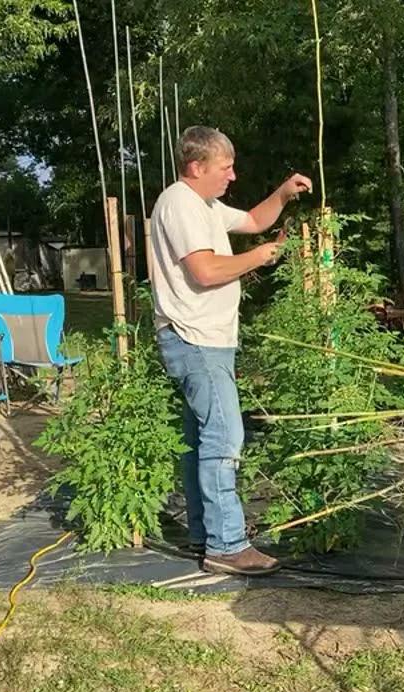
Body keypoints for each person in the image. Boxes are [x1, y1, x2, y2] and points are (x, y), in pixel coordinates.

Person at [150, 125, 311, 575]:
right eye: (225, 167)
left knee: (202, 439)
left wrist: (282, 193)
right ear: (197, 166)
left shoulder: (203, 205)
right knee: (224, 439)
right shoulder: (180, 203)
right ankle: (227, 546)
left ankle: (205, 534)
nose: (233, 175)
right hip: (196, 339)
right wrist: (257, 258)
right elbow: (204, 270)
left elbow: (254, 221)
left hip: (204, 339)